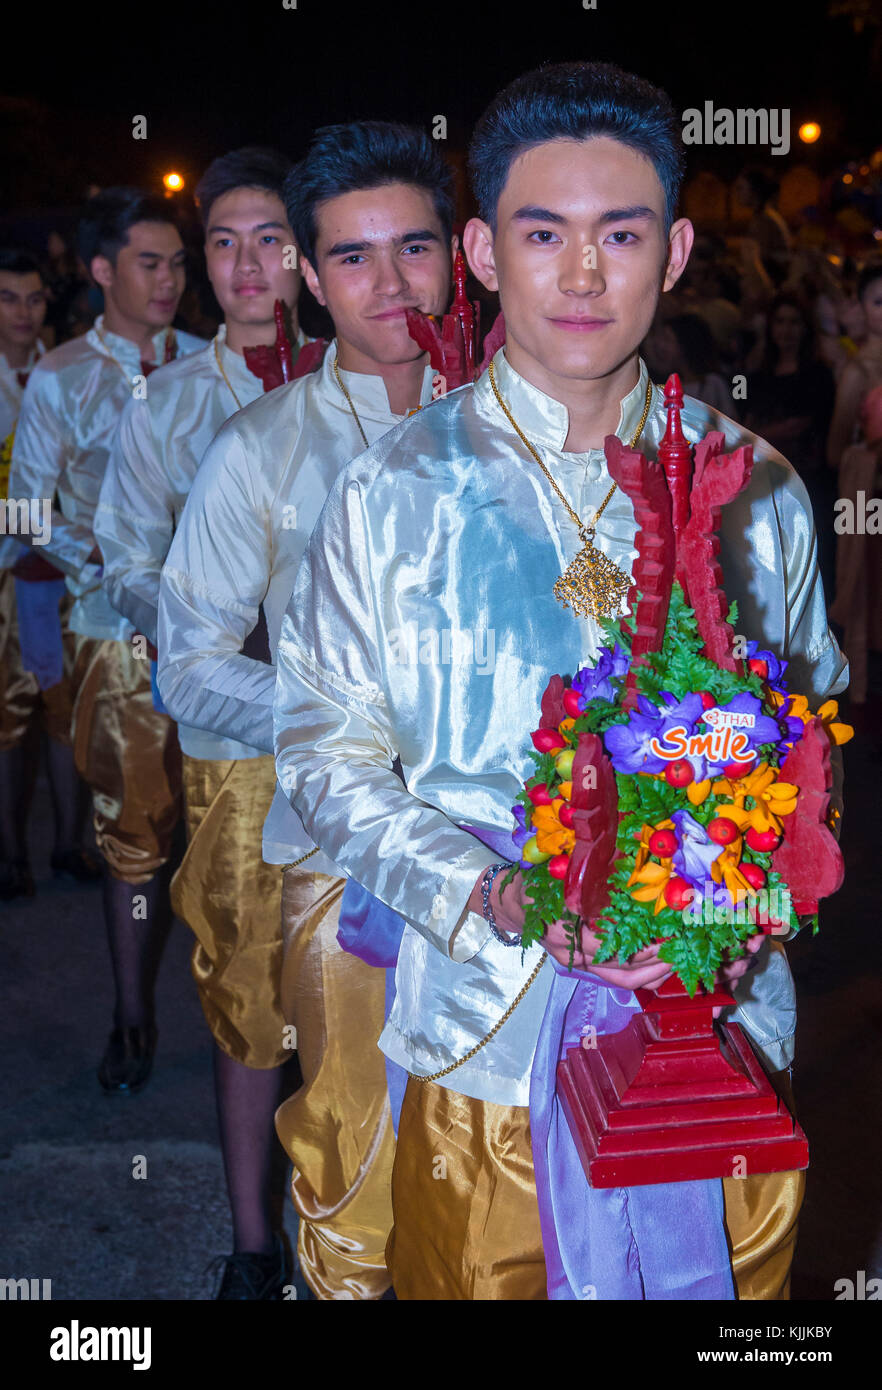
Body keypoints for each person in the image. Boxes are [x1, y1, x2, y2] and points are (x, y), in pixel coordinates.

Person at [273, 62, 848, 1300]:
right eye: (545, 233)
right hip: (486, 1028)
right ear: (482, 251)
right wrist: (500, 893)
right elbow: (322, 758)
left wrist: (739, 901)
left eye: (621, 234)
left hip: (718, 1043)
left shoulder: (758, 492)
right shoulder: (394, 492)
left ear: (676, 249)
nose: (583, 274)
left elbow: (813, 763)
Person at [157, 121, 456, 1299]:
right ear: (312, 277)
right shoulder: (262, 450)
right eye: (354, 258)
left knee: (497, 1173)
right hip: (343, 866)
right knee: (351, 1163)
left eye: (416, 249)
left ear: (463, 255)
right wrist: (342, 711)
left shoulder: (533, 431)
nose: (392, 286)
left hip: (520, 859)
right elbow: (186, 661)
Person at [95, 146, 308, 1299]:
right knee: (244, 984)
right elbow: (124, 554)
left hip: (376, 748)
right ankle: (250, 1241)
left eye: (269, 238)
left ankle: (353, 1227)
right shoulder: (169, 405)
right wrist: (196, 622)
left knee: (366, 985)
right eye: (220, 243)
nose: (242, 265)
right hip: (235, 740)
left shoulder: (380, 383)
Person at [8, 189, 203, 1092]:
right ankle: (131, 1013)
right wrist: (99, 568)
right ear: (100, 272)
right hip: (114, 636)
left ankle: (241, 1012)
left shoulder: (212, 366)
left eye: (176, 263)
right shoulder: (59, 377)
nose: (170, 279)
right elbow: (22, 505)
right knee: (133, 835)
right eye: (149, 263)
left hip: (214, 640)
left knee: (228, 833)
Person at [0, 248, 97, 900]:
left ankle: (69, 843)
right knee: (8, 718)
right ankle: (9, 854)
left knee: (68, 713)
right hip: (8, 572)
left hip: (62, 567)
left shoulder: (63, 374)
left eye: (34, 299)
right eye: (9, 298)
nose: (25, 313)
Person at [744, 293, 836, 597]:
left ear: (805, 328)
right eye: (780, 322)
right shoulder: (757, 374)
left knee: (812, 561)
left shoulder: (818, 374)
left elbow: (804, 425)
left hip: (810, 481)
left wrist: (762, 432)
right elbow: (743, 422)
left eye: (794, 322)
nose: (787, 330)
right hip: (766, 481)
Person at [827, 261, 882, 705]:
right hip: (869, 501)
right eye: (878, 302)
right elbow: (835, 448)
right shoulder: (857, 371)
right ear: (862, 308)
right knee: (865, 587)